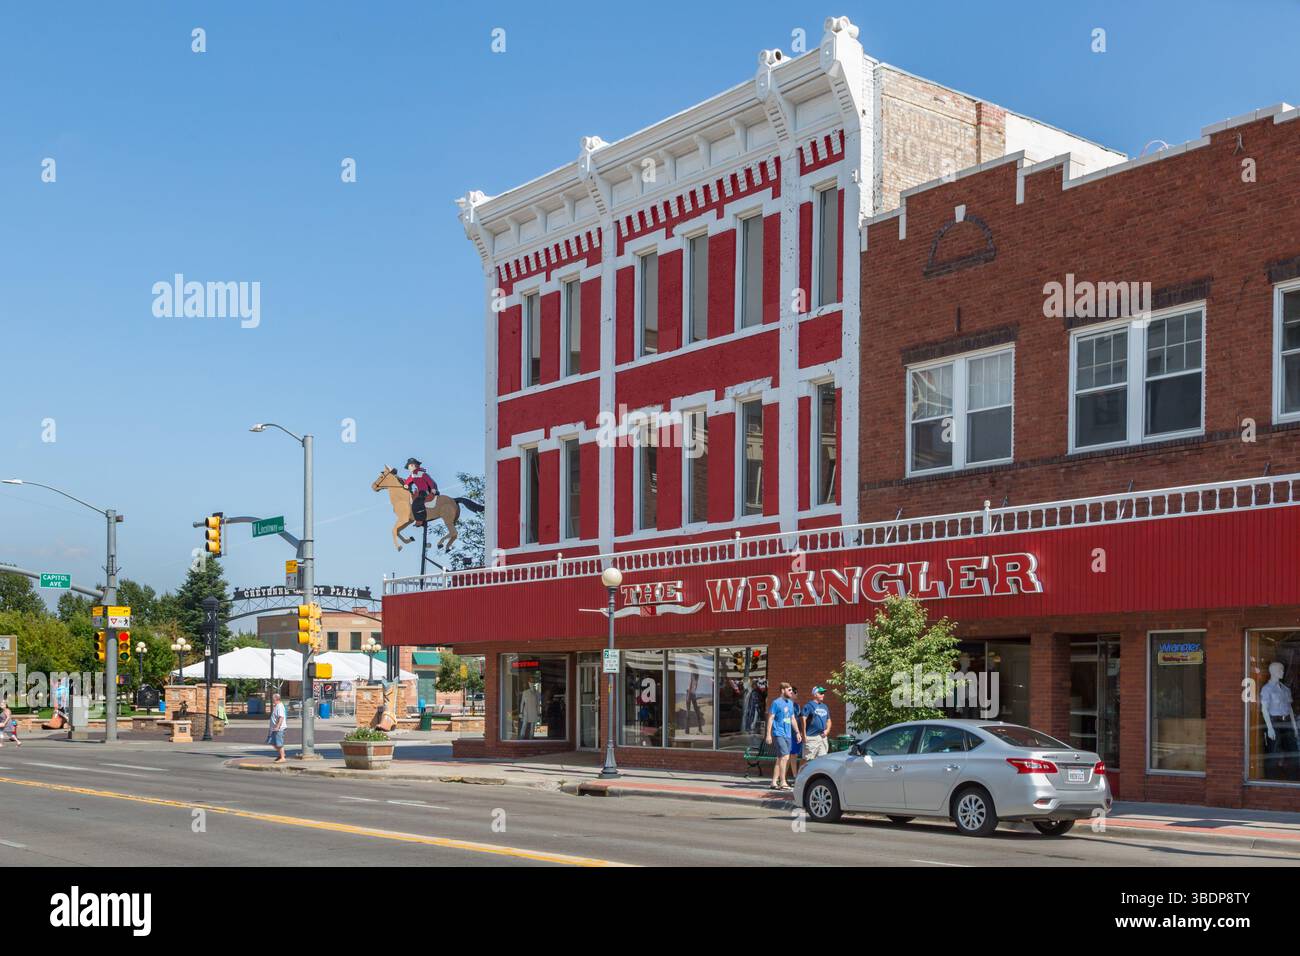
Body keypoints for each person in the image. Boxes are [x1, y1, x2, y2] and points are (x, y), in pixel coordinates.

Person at [764, 682, 801, 791]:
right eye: (789, 690)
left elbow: (793, 718)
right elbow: (770, 718)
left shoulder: (790, 703)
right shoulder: (776, 703)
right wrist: (768, 734)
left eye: (791, 690)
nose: (791, 692)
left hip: (788, 734)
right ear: (782, 690)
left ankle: (773, 782)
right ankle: (783, 782)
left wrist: (798, 732)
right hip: (778, 733)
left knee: (780, 758)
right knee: (785, 757)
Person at [800, 686, 833, 762]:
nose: (823, 695)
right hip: (811, 738)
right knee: (807, 760)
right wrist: (804, 735)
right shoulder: (809, 706)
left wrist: (827, 730)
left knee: (822, 760)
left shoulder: (824, 706)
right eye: (821, 693)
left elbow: (829, 720)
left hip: (822, 737)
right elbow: (803, 718)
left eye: (823, 693)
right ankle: (801, 773)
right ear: (815, 694)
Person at [403, 458, 438, 526]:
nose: (409, 468)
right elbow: (408, 481)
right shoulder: (413, 475)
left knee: (417, 503)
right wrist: (406, 485)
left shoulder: (422, 473)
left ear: (413, 465)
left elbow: (430, 481)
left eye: (409, 467)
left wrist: (433, 489)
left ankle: (420, 520)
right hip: (418, 491)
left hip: (424, 491)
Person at [267, 692, 287, 763]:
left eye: (273, 699)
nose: (272, 700)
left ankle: (282, 757)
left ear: (276, 699)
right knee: (272, 742)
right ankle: (281, 754)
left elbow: (281, 717)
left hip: (279, 728)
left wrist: (278, 726)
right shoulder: (277, 706)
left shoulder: (280, 706)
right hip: (274, 728)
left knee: (278, 743)